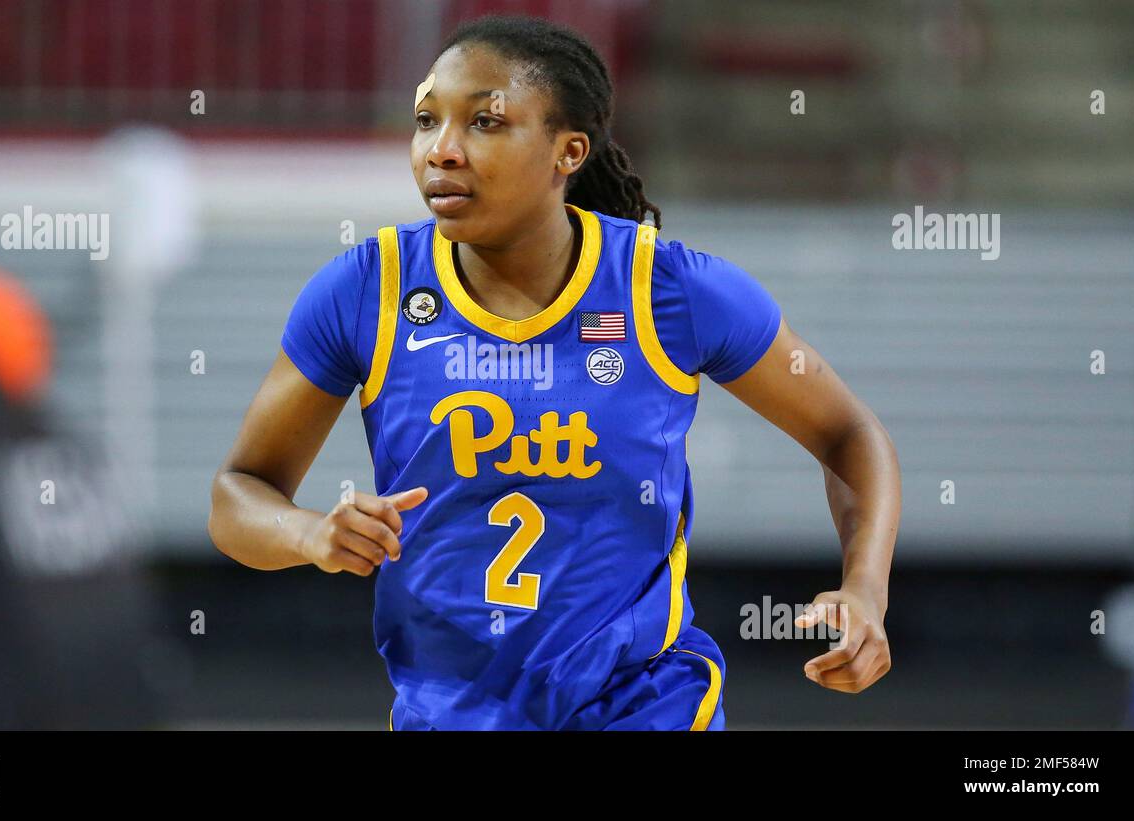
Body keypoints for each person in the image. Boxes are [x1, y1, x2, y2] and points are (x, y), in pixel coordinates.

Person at [208, 15, 900, 730]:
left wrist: (865, 587)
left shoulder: (667, 288)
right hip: (451, 709)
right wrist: (310, 534)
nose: (440, 151)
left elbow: (847, 430)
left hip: (644, 702)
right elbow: (238, 496)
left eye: (484, 122)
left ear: (567, 151)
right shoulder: (367, 288)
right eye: (426, 120)